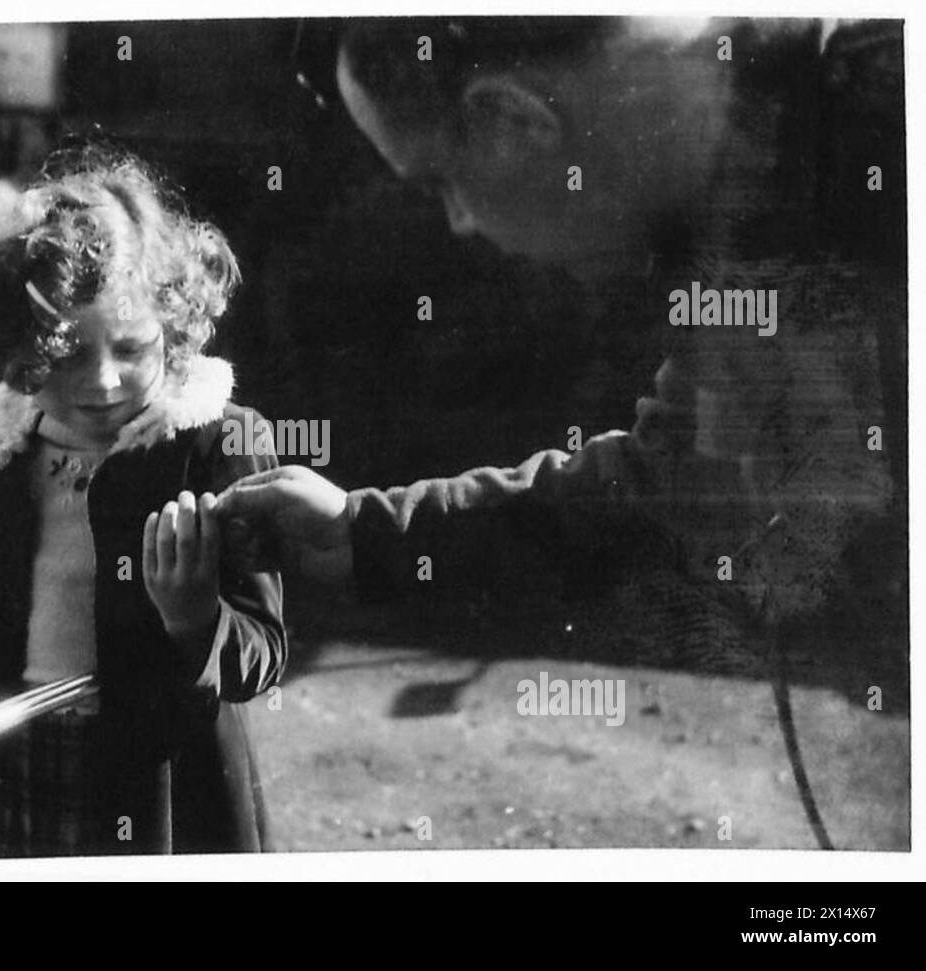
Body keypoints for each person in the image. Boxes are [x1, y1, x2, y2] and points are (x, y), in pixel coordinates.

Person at [220, 17, 901, 667]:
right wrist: (360, 533)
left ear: (511, 119)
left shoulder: (890, 114)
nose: (458, 222)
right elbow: (669, 486)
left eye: (441, 183)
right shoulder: (759, 172)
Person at [0, 141, 287, 859]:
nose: (104, 381)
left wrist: (196, 617)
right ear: (18, 345)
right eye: (68, 352)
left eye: (133, 348)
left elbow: (263, 649)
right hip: (3, 776)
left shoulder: (211, 444)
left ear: (173, 331)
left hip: (162, 793)